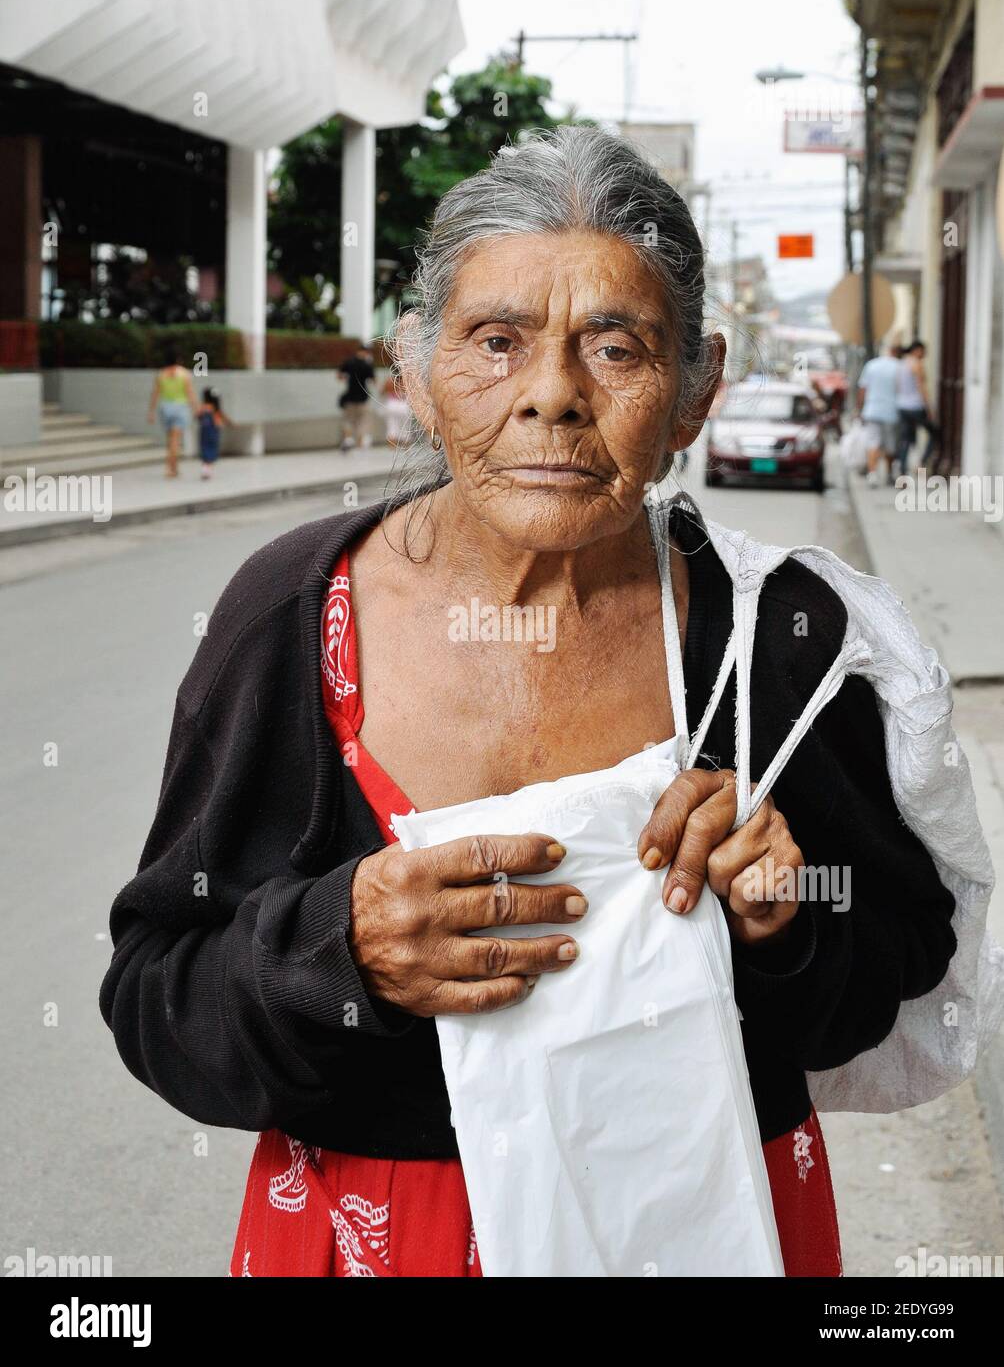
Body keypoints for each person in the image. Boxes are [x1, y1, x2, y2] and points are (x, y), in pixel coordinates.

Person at [101, 127, 957, 1279]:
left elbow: (896, 961)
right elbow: (157, 990)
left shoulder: (778, 635)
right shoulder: (292, 616)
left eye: (615, 348)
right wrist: (336, 952)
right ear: (414, 371)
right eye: (494, 341)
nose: (551, 396)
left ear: (695, 389)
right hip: (373, 1241)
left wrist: (782, 913)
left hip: (706, 1227)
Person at [855, 344, 901, 487]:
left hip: (872, 410)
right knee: (890, 444)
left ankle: (872, 474)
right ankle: (888, 474)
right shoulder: (899, 367)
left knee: (873, 443)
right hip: (891, 411)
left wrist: (859, 409)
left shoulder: (871, 365)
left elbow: (863, 389)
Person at [147, 354, 197, 478]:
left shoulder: (161, 374)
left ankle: (174, 467)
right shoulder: (184, 374)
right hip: (180, 408)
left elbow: (155, 394)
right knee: (176, 440)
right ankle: (170, 468)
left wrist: (151, 411)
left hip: (165, 408)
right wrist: (196, 408)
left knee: (170, 439)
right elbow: (189, 392)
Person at [896, 339, 937, 476]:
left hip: (902, 405)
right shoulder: (917, 364)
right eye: (923, 351)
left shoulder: (901, 364)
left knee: (905, 439)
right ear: (917, 350)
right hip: (916, 406)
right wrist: (929, 409)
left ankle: (902, 471)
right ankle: (921, 464)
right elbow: (921, 388)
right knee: (935, 433)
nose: (925, 354)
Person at [338, 344, 375, 450]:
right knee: (362, 420)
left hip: (349, 396)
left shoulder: (349, 362)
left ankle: (348, 439)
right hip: (363, 397)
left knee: (348, 419)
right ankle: (359, 442)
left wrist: (346, 379)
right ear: (366, 353)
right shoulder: (367, 365)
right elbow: (373, 380)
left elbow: (339, 375)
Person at [196, 387, 234, 481]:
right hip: (213, 431)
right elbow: (224, 418)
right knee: (212, 449)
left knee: (205, 448)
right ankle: (208, 469)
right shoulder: (215, 408)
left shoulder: (203, 407)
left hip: (204, 432)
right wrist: (230, 424)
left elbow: (198, 416)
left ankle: (205, 468)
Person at [381, 371, 412, 447]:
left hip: (392, 403)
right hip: (403, 404)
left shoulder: (389, 381)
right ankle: (406, 444)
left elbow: (382, 392)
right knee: (405, 425)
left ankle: (392, 445)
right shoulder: (406, 381)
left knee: (392, 424)